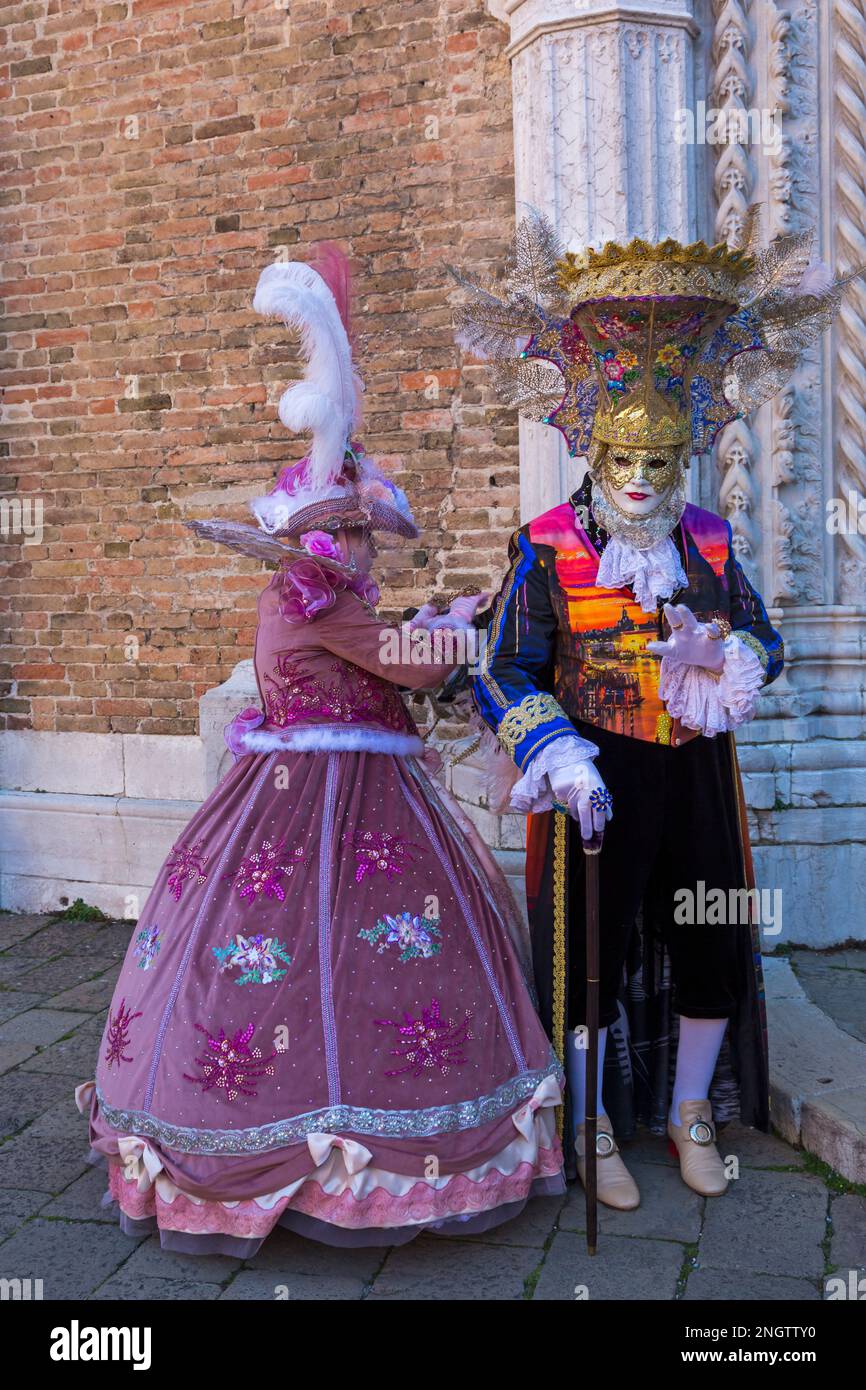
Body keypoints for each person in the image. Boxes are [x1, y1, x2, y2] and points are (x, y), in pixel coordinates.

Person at [76, 250, 564, 1256]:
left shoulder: (306, 598)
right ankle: (325, 1159)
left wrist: (431, 620)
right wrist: (466, 625)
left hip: (298, 782)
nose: (373, 554)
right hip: (332, 797)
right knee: (321, 955)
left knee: (310, 947)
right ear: (330, 540)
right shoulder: (316, 600)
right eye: (363, 539)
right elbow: (411, 668)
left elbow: (386, 651)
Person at [458, 214, 861, 1209]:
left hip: (691, 770)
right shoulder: (545, 545)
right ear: (591, 447)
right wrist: (555, 752)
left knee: (708, 932)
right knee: (588, 950)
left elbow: (766, 640)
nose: (639, 482)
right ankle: (590, 1122)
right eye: (622, 462)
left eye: (660, 464)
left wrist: (725, 654)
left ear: (684, 456)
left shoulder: (710, 542)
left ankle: (687, 1110)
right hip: (594, 772)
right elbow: (498, 667)